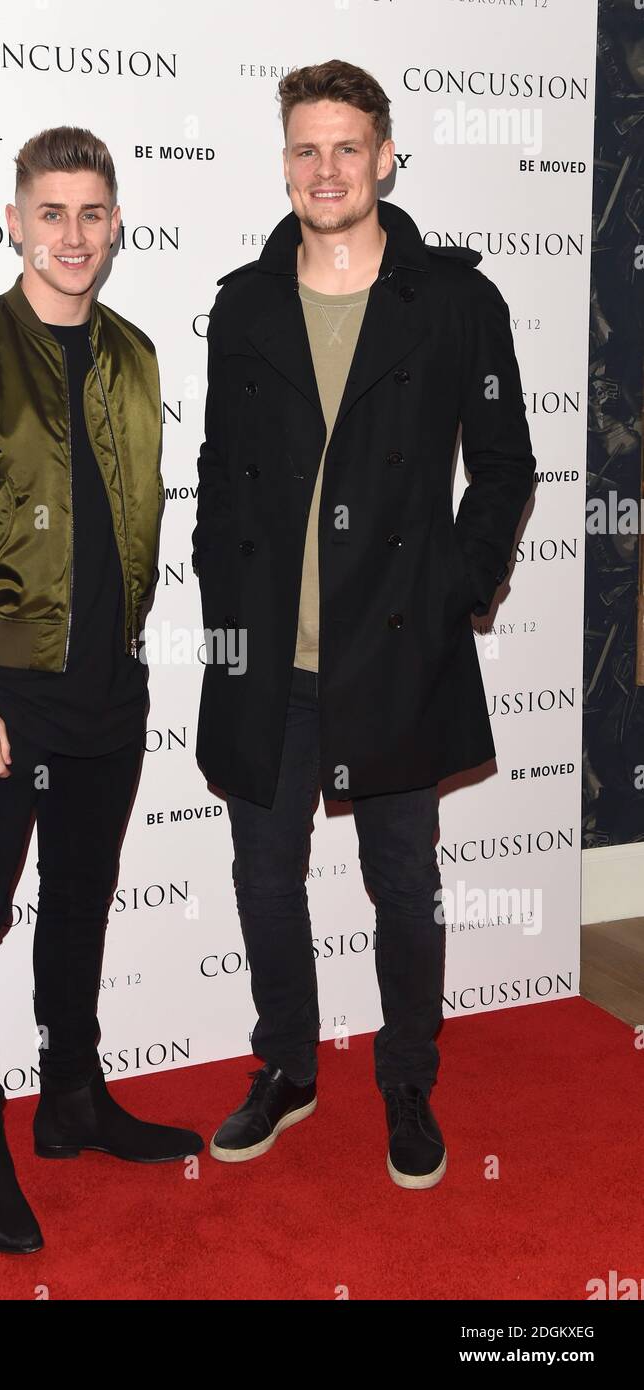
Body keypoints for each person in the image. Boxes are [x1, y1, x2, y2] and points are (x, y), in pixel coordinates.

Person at [192, 61, 536, 1187]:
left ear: (384, 156)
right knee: (260, 874)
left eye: (346, 147)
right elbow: (218, 478)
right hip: (268, 660)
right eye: (305, 148)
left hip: (398, 649)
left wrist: (457, 591)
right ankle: (286, 1067)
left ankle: (405, 1082)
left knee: (402, 881)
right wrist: (221, 617)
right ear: (283, 161)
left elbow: (501, 466)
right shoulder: (243, 303)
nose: (326, 168)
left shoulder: (451, 300)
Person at [0, 126, 203, 1255]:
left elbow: (131, 518)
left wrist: (126, 652)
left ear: (115, 224)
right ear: (14, 220)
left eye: (92, 213)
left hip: (107, 683)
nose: (72, 235)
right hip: (0, 690)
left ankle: (70, 1096)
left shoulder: (134, 355)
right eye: (51, 213)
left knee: (78, 897)